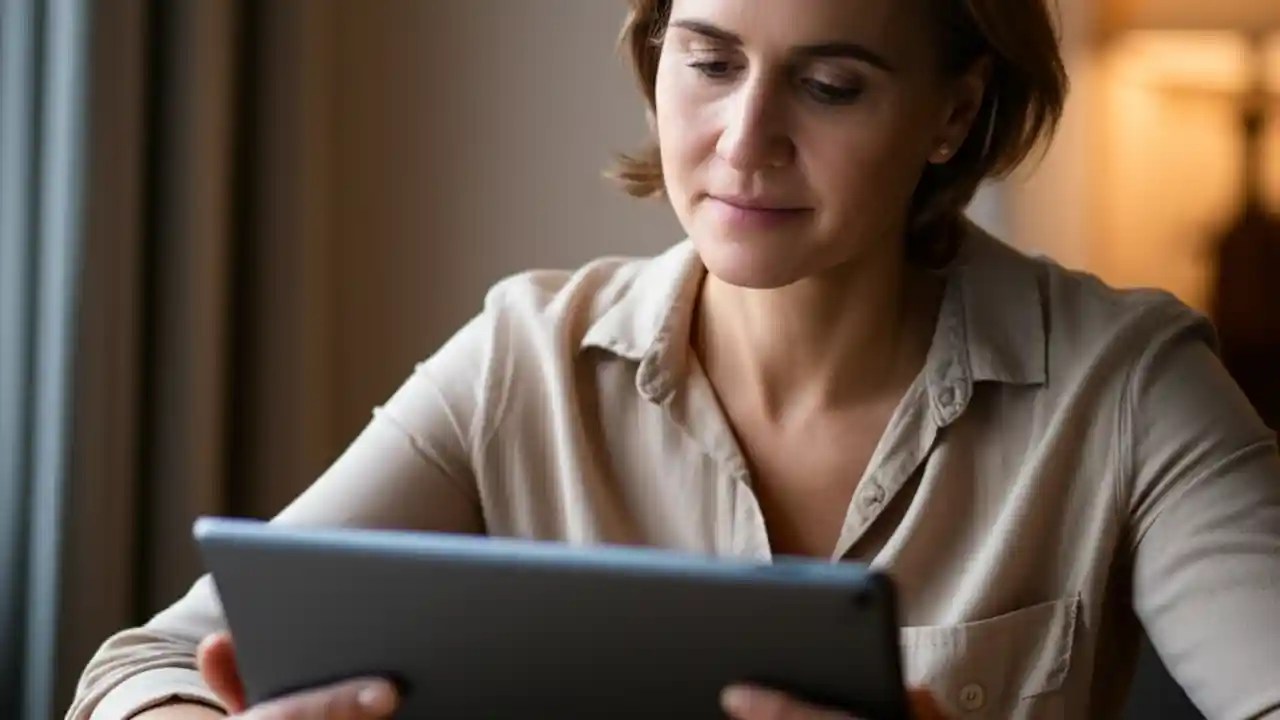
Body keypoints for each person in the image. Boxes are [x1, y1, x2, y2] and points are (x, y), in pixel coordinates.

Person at [69, 0, 1280, 718]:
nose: (743, 141)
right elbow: (145, 665)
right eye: (706, 61)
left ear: (953, 114)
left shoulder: (1126, 382)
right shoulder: (521, 361)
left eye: (829, 83)